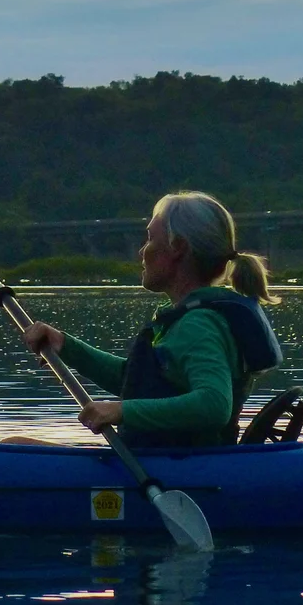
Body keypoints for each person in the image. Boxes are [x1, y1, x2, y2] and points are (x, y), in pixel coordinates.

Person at [23, 191, 282, 446]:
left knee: (17, 445)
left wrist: (122, 411)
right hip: (161, 463)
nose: (142, 251)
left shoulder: (198, 324)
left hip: (174, 469)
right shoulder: (189, 318)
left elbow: (214, 405)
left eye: (149, 238)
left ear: (177, 247)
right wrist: (66, 347)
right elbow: (138, 381)